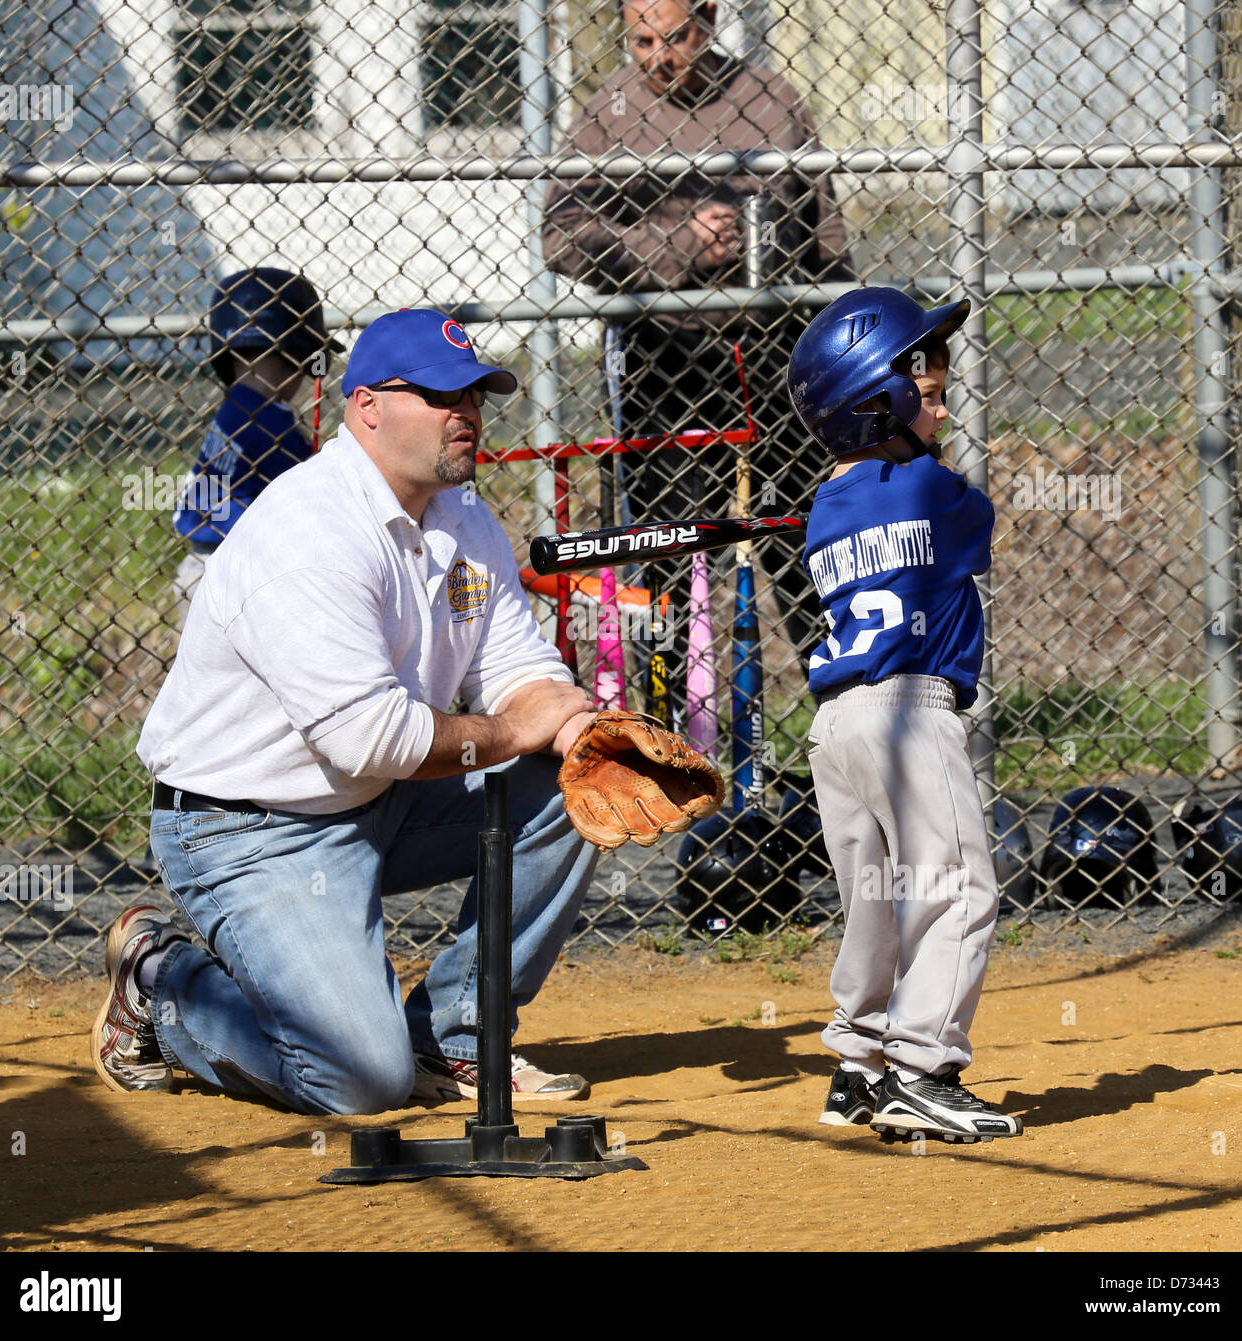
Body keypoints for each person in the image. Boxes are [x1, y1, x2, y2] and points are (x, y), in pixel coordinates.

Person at [93, 309, 600, 1116]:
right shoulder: (309, 530)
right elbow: (371, 736)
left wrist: (585, 735)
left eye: (474, 392)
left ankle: (455, 1041)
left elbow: (519, 671)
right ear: (366, 407)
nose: (465, 411)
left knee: (582, 786)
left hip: (373, 798)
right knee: (360, 1079)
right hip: (248, 830)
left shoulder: (463, 518)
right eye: (441, 394)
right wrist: (513, 731)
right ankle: (162, 979)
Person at [544, 0, 855, 676]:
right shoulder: (608, 114)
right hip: (666, 354)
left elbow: (828, 236)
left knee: (803, 539)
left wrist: (844, 339)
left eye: (676, 37)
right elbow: (563, 238)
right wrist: (677, 244)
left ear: (708, 18)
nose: (660, 57)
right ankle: (671, 744)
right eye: (642, 40)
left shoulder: (770, 99)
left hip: (777, 349)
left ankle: (842, 722)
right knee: (670, 554)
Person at [787, 287, 1023, 1142]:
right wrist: (919, 471)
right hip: (911, 713)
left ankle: (857, 1061)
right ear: (875, 403)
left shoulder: (821, 510)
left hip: (836, 724)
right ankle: (924, 1067)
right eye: (928, 393)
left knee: (876, 901)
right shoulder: (934, 489)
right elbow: (977, 529)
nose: (945, 405)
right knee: (956, 887)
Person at [172, 268, 340, 623]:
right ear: (295, 353)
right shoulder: (272, 425)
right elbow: (311, 507)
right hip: (239, 576)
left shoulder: (234, 411)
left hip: (200, 565)